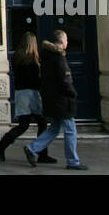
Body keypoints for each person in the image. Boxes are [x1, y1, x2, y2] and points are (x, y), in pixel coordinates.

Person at [23, 29, 85, 170]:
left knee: (55, 128)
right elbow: (65, 80)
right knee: (70, 130)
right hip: (62, 100)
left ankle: (32, 149)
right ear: (62, 41)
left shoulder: (47, 56)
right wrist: (72, 93)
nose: (67, 42)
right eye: (66, 40)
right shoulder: (59, 58)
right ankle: (73, 161)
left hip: (52, 98)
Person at [0, 32, 52, 163]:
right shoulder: (34, 59)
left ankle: (1, 145)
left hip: (21, 93)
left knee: (23, 125)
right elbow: (36, 80)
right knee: (42, 123)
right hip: (33, 94)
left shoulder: (16, 57)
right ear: (33, 43)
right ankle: (41, 153)